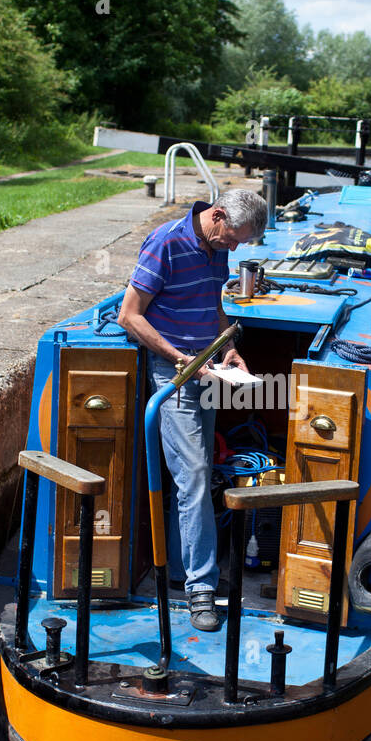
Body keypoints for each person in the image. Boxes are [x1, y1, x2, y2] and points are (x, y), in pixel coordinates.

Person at [117, 188, 267, 631]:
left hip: (205, 368)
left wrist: (227, 348)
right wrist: (181, 360)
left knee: (194, 471)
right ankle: (199, 588)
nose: (235, 248)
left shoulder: (214, 245)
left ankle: (187, 568)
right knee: (196, 475)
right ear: (217, 216)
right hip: (176, 374)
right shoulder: (166, 243)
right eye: (233, 238)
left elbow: (211, 301)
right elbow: (130, 315)